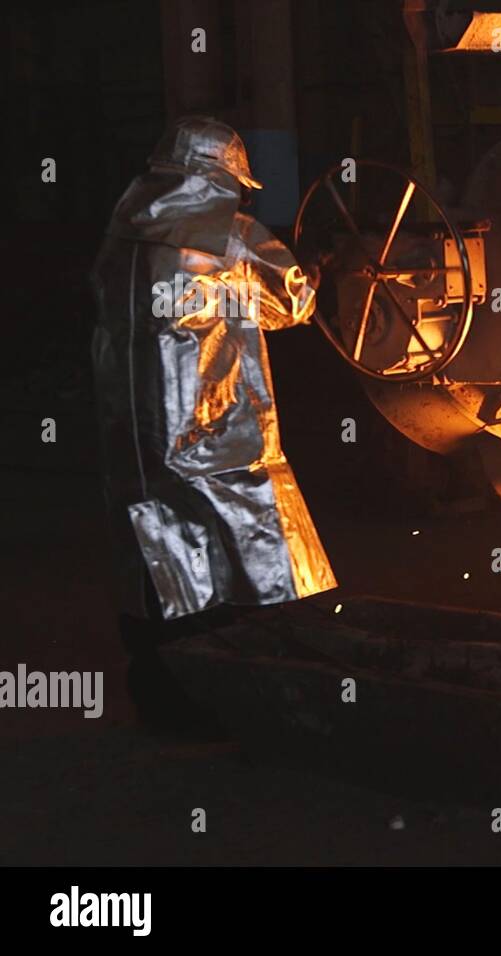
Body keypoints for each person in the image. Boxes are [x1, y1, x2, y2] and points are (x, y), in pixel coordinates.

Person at [90, 116, 337, 727]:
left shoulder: (122, 232)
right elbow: (292, 303)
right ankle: (240, 699)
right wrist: (318, 269)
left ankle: (164, 700)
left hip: (136, 439)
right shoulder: (233, 234)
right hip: (218, 439)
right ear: (226, 176)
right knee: (246, 567)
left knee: (161, 563)